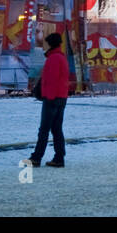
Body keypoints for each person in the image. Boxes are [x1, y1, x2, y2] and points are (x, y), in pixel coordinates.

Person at [28, 33, 71, 168]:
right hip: (61, 97)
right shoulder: (61, 57)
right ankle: (59, 157)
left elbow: (51, 80)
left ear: (50, 44)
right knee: (57, 129)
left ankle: (36, 157)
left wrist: (48, 97)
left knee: (44, 130)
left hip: (52, 98)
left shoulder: (53, 59)